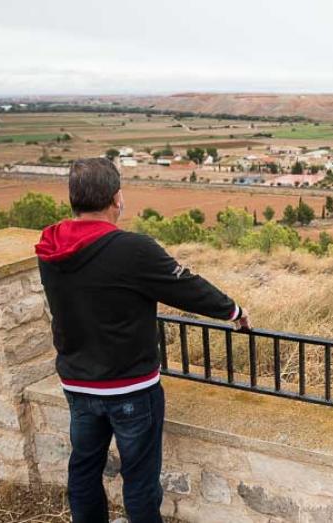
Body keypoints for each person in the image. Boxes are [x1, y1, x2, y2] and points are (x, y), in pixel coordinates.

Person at [35, 157, 249, 523]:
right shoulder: (131, 249)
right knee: (140, 478)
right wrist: (233, 311)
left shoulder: (49, 247)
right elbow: (186, 287)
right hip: (130, 385)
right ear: (117, 198)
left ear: (74, 199)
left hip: (78, 382)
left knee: (83, 469)